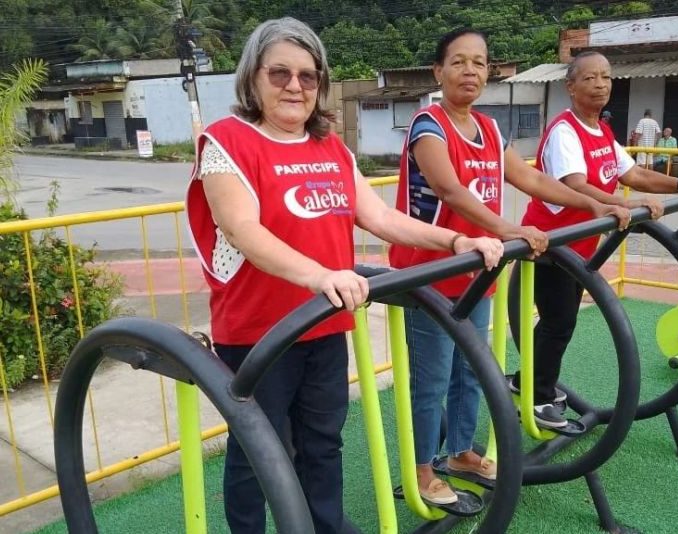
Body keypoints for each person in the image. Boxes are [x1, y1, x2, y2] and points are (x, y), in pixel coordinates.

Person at [185, 18, 506, 534]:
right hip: (260, 331)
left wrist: (454, 239)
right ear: (252, 78)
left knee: (323, 441)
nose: (295, 86)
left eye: (308, 77)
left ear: (321, 84)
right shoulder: (227, 141)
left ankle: (325, 526)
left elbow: (380, 218)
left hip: (327, 324)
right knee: (256, 453)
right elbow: (243, 229)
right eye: (280, 73)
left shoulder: (329, 146)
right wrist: (321, 276)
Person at [388, 29, 630, 506]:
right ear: (438, 71)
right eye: (459, 62)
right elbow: (450, 189)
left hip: (478, 274)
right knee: (432, 378)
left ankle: (459, 453)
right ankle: (420, 470)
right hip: (430, 274)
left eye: (479, 63)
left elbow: (533, 178)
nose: (470, 72)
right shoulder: (428, 125)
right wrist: (508, 229)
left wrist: (596, 202)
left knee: (471, 371)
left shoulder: (490, 129)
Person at [508, 51, 678, 429]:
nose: (600, 84)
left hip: (580, 247)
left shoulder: (601, 130)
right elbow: (575, 184)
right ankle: (535, 398)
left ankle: (526, 381)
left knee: (557, 321)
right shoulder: (565, 131)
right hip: (551, 244)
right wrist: (622, 203)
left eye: (605, 76)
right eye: (589, 78)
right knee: (560, 322)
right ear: (570, 86)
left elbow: (633, 173)